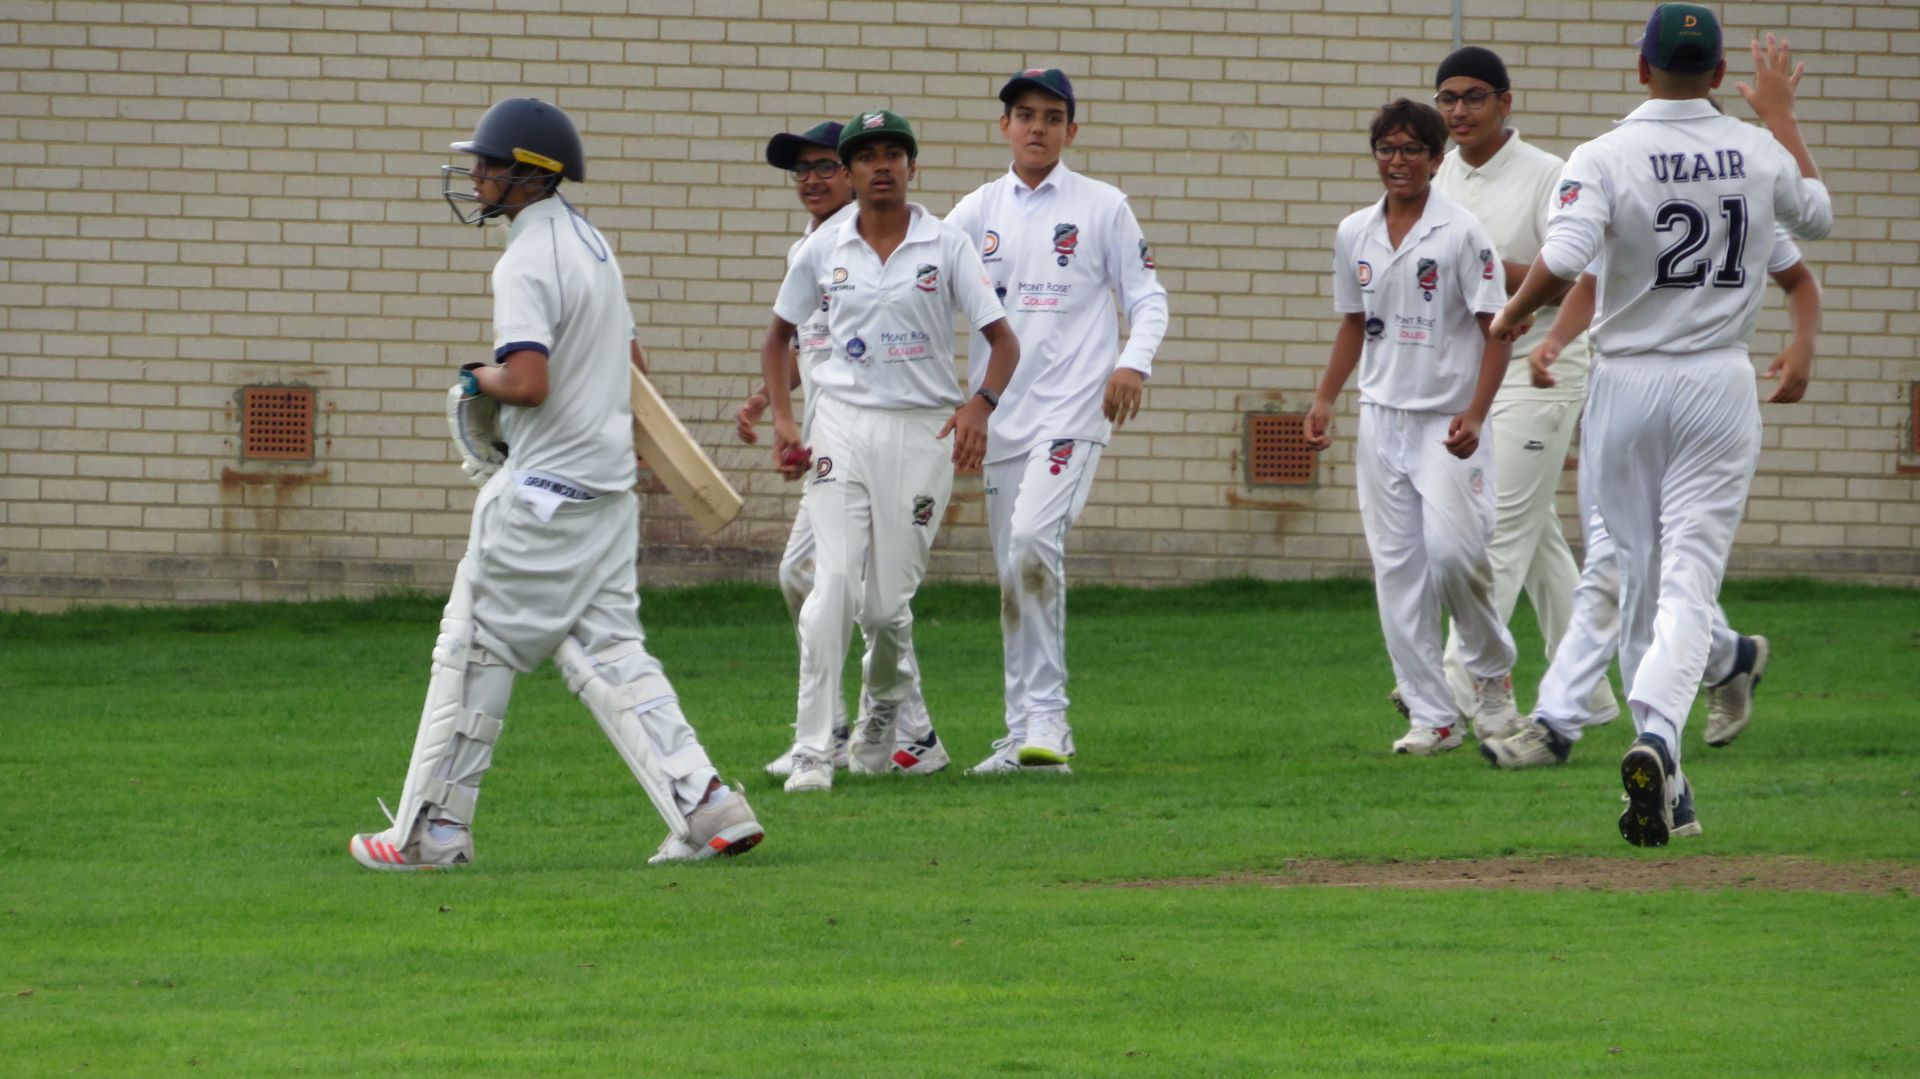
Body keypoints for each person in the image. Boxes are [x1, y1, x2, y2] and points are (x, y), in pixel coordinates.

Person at [349, 98, 763, 870]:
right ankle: (708, 805)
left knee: (474, 646)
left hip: (540, 495)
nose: (474, 177)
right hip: (605, 497)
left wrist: (479, 377)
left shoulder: (525, 259)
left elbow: (529, 381)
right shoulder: (593, 245)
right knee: (611, 652)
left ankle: (431, 830)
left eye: (487, 164)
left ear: (528, 175)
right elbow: (632, 373)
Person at [1489, 7, 1831, 846]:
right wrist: (1780, 116)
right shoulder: (1754, 150)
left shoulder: (1603, 154)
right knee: (1680, 581)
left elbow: (1565, 257)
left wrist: (1513, 321)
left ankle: (1657, 754)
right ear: (1719, 77)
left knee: (1633, 570)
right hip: (1720, 379)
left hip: (1628, 384)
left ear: (1641, 69)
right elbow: (1816, 217)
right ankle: (1660, 748)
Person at [1480, 228, 1819, 822]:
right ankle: (1723, 664)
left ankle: (1565, 725)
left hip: (1702, 403)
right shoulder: (1635, 177)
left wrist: (1802, 345)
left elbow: (1801, 259)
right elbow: (1588, 278)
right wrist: (1556, 338)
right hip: (1629, 401)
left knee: (1631, 578)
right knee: (1625, 577)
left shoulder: (1741, 177)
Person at [758, 110, 1019, 793]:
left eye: (892, 155)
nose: (880, 166)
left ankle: (884, 709)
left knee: (883, 607)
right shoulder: (822, 249)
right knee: (829, 584)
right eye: (866, 156)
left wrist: (978, 406)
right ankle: (814, 750)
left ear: (910, 167)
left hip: (922, 429)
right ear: (852, 172)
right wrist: (786, 419)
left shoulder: (947, 244)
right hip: (841, 424)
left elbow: (1003, 341)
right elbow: (777, 337)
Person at [943, 69, 1170, 774]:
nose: (1036, 127)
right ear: (1003, 126)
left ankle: (1051, 724)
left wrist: (1132, 362)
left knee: (1035, 543)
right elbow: (921, 287)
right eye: (1023, 114)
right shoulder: (974, 212)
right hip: (1000, 418)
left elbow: (1149, 296)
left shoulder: (1103, 207)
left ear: (1071, 130)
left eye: (1051, 116)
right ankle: (1021, 735)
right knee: (1015, 568)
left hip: (1074, 410)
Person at [1306, 97, 1523, 757]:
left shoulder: (1461, 233)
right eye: (1386, 149)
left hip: (1448, 421)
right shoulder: (1354, 232)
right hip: (1382, 418)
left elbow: (1499, 329)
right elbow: (1353, 322)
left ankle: (1491, 673)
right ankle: (1432, 715)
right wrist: (1324, 399)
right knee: (1398, 570)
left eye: (1410, 150)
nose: (1397, 162)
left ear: (1435, 159)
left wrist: (1477, 412)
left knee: (1455, 555)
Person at [739, 121, 948, 778]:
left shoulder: (883, 243)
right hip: (835, 440)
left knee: (855, 591)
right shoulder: (813, 249)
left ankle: (856, 729)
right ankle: (900, 730)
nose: (811, 179)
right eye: (800, 170)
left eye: (825, 166)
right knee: (817, 580)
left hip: (885, 435)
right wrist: (772, 408)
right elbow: (815, 345)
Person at [1427, 46, 1617, 728]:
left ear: (1506, 103)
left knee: (1496, 528)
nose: (1459, 111)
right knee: (1536, 537)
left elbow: (1569, 276)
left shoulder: (1550, 175)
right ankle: (1589, 691)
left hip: (1541, 365)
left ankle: (1451, 688)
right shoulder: (1438, 173)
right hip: (1471, 374)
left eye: (1474, 97)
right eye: (1448, 98)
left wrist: (1480, 268)